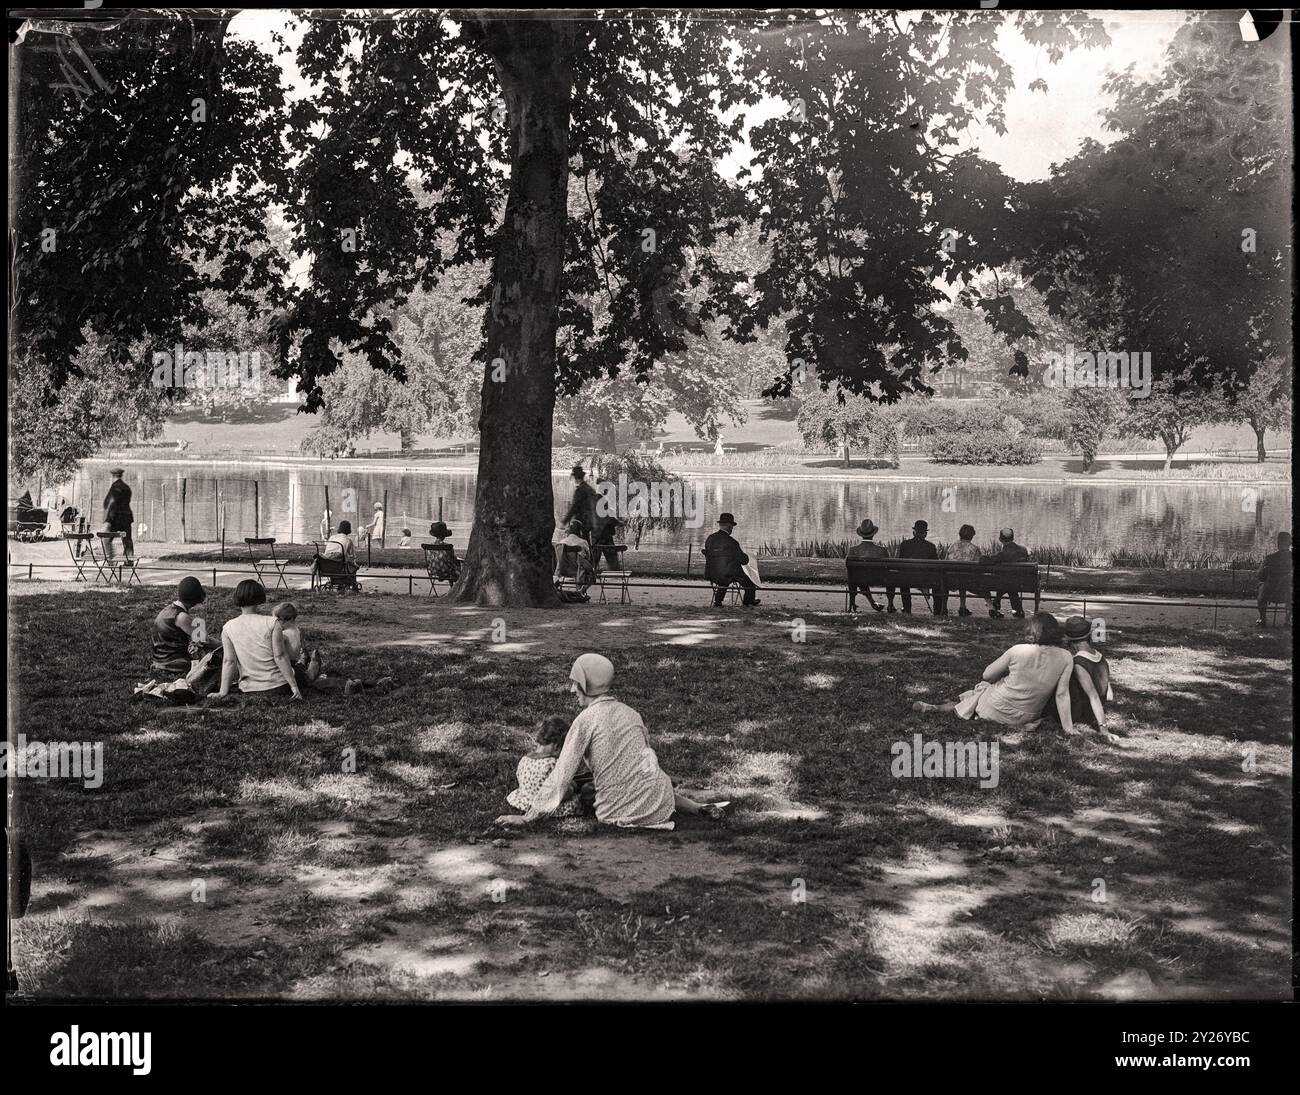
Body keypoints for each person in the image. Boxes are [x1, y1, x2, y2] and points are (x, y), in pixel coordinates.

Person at [494, 654, 725, 829]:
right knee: (636, 780)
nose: (572, 689)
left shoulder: (585, 721)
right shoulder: (631, 713)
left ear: (587, 684)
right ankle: (697, 808)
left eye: (576, 683)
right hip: (658, 801)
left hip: (620, 811)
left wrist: (528, 817)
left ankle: (693, 807)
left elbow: (561, 775)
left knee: (587, 791)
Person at [912, 612, 1075, 730]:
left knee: (982, 688)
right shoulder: (1066, 656)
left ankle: (937, 708)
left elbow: (987, 675)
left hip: (996, 708)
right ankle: (943, 706)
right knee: (983, 692)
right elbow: (1062, 694)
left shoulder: (1018, 650)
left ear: (1031, 633)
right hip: (1028, 714)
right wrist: (1069, 729)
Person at [214, 580, 305, 702]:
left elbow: (229, 661)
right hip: (279, 685)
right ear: (259, 599)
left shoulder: (228, 627)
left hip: (249, 688)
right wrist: (294, 687)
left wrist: (222, 691)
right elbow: (280, 656)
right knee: (299, 670)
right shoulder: (272, 622)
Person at [506, 716, 586, 818]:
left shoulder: (524, 760)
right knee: (575, 796)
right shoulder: (553, 764)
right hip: (547, 803)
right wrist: (571, 788)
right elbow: (561, 793)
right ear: (557, 747)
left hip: (526, 800)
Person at [1060, 615, 1118, 742]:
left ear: (1069, 640)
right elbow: (1109, 695)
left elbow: (1094, 696)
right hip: (1094, 708)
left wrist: (1103, 728)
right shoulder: (1101, 657)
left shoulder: (1078, 662)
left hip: (1081, 713)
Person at [150, 576, 215, 678]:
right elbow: (205, 640)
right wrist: (224, 644)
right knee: (213, 661)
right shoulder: (182, 617)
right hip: (171, 664)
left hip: (159, 660)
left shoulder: (168, 610)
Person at [888, 519, 945, 615]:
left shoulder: (905, 544)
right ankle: (937, 610)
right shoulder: (930, 546)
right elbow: (935, 565)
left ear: (914, 532)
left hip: (906, 579)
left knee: (903, 580)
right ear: (925, 534)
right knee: (937, 581)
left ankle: (907, 608)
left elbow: (899, 563)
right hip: (926, 579)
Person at [703, 512, 759, 607]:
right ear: (729, 526)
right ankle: (748, 601)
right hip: (728, 574)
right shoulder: (732, 542)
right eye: (732, 526)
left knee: (723, 575)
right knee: (749, 579)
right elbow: (744, 560)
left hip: (711, 573)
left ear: (720, 525)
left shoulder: (710, 539)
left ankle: (718, 601)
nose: (732, 528)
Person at [981, 527, 1030, 619]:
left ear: (1000, 539)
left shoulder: (1003, 555)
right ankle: (1016, 609)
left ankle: (996, 602)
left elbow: (986, 561)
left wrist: (983, 557)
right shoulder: (1023, 550)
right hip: (1023, 582)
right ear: (1013, 538)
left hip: (1005, 583)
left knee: (1006, 581)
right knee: (1009, 581)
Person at [846, 518, 888, 612]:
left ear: (861, 534)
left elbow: (849, 569)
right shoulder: (882, 550)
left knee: (856, 575)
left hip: (859, 580)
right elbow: (888, 567)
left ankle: (852, 603)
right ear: (873, 534)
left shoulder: (853, 550)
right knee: (862, 575)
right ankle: (890, 605)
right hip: (880, 579)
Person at [947, 523, 986, 617]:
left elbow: (946, 562)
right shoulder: (974, 549)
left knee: (960, 576)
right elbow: (979, 568)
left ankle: (960, 607)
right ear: (972, 536)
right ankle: (991, 607)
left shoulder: (952, 546)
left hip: (952, 580)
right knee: (965, 577)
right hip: (969, 581)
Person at [1257, 531, 1292, 627]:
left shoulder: (1270, 558)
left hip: (1271, 594)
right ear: (1290, 544)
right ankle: (1288, 619)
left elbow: (1261, 577)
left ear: (1278, 543)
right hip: (1288, 594)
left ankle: (1262, 618)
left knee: (1261, 586)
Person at [554, 520, 595, 599]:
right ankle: (582, 590)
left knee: (583, 566)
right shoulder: (583, 542)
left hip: (563, 569)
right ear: (579, 531)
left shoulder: (560, 543)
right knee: (590, 571)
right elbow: (588, 558)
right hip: (579, 571)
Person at [102, 467, 134, 561]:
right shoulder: (127, 487)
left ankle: (110, 558)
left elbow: (111, 504)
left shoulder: (115, 487)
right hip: (127, 517)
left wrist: (108, 520)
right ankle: (129, 560)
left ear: (113, 476)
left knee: (106, 538)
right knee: (127, 540)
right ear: (121, 475)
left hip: (115, 518)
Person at [561, 464, 599, 540]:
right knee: (586, 540)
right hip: (592, 520)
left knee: (576, 540)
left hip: (582, 522)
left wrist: (564, 521)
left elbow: (574, 507)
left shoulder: (580, 490)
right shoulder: (590, 489)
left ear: (575, 477)